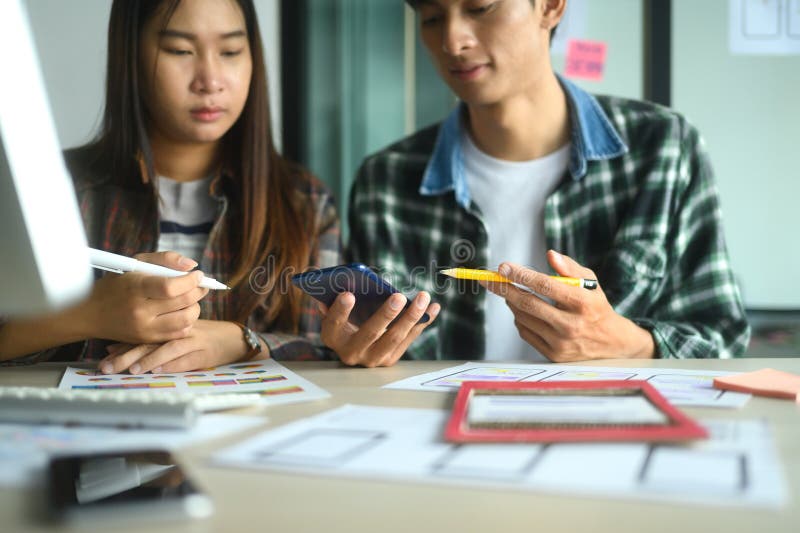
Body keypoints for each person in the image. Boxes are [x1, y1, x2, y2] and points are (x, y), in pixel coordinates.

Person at [345, 0, 751, 364]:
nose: (452, 40)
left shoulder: (663, 146)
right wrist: (348, 350)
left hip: (610, 436)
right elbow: (367, 352)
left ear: (552, 7)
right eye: (431, 17)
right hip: (436, 435)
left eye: (480, 8)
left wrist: (628, 342)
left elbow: (722, 339)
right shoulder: (386, 181)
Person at [0, 0, 342, 372]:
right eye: (180, 50)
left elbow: (325, 347)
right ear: (130, 54)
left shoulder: (304, 202)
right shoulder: (45, 191)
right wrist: (89, 312)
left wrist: (242, 341)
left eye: (230, 51)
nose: (210, 81)